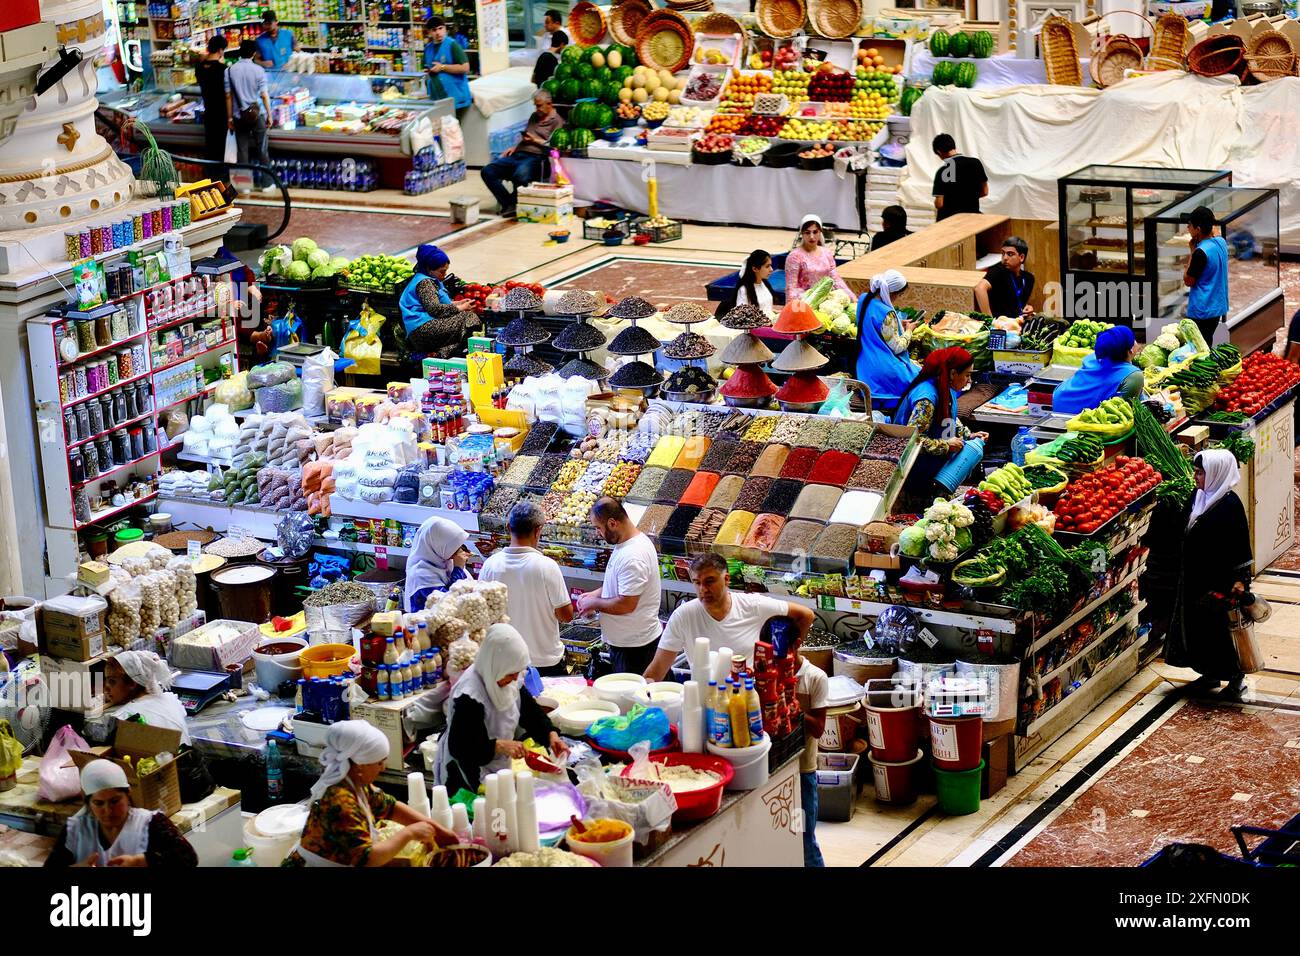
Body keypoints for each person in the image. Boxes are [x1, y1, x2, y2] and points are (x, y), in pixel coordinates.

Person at [283, 721, 456, 867]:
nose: (383, 767)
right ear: (360, 765)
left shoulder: (358, 785)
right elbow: (367, 858)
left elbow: (390, 807)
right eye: (379, 762)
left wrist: (439, 831)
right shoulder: (340, 802)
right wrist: (409, 833)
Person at [432, 624, 569, 796]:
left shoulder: (507, 678)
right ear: (495, 664)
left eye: (516, 673)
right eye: (511, 674)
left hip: (496, 768)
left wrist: (550, 735)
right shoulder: (470, 694)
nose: (514, 679)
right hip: (467, 774)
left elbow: (530, 711)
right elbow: (460, 747)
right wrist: (499, 745)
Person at [1165, 450, 1253, 701]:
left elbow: (1240, 546)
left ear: (1216, 473)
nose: (1196, 477)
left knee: (1223, 631)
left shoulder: (1230, 505)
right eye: (1197, 471)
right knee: (1200, 629)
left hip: (1220, 582)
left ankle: (1236, 678)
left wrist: (1240, 580)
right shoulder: (1198, 497)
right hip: (1195, 579)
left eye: (1201, 472)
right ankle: (1210, 672)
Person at [643, 553, 813, 681]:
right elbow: (658, 667)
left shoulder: (753, 605)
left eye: (710, 581)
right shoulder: (683, 616)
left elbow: (805, 615)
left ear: (726, 579)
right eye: (697, 582)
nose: (703, 589)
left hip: (752, 694)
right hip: (706, 698)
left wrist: (788, 657)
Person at [478, 501, 574, 675]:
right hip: (545, 663)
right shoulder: (547, 566)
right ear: (538, 530)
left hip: (505, 663)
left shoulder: (490, 566)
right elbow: (566, 616)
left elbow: (483, 614)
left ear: (508, 527)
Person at [44, 760, 197, 867]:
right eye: (98, 803)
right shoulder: (75, 830)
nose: (108, 811)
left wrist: (143, 861)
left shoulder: (150, 823)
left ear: (128, 794)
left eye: (115, 801)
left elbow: (188, 859)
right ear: (88, 802)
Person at [576, 496, 662, 675]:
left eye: (598, 528)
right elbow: (622, 585)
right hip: (629, 644)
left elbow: (626, 604)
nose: (598, 533)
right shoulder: (628, 543)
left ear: (613, 523)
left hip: (636, 650)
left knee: (637, 701)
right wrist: (597, 594)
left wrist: (594, 604)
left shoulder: (633, 555)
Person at [894, 347, 989, 495]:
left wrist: (968, 435)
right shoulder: (926, 400)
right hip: (913, 475)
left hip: (934, 471)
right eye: (967, 375)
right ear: (952, 373)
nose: (969, 381)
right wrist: (945, 445)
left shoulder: (946, 389)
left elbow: (949, 417)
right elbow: (912, 442)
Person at [480, 91, 564, 217]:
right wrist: (515, 146)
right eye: (536, 106)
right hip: (519, 154)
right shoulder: (534, 116)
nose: (537, 109)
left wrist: (534, 140)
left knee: (520, 176)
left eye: (539, 105)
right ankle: (509, 203)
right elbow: (526, 134)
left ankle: (511, 204)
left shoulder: (557, 121)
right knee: (487, 171)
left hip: (537, 157)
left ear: (549, 104)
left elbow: (555, 146)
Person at [790, 625, 829, 867]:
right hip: (773, 772)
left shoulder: (814, 677)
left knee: (803, 838)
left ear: (796, 645)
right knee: (781, 835)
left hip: (803, 772)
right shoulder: (764, 671)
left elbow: (818, 728)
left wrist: (794, 708)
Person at [399, 243, 480, 357]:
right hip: (422, 330)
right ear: (429, 269)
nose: (444, 275)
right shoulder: (425, 283)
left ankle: (444, 352)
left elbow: (437, 303)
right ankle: (452, 352)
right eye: (442, 271)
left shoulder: (429, 279)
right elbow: (434, 309)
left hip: (426, 325)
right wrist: (461, 307)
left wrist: (458, 303)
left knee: (467, 316)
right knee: (469, 318)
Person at [854, 268, 920, 402]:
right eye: (899, 295)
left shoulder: (863, 299)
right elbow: (898, 347)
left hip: (864, 366)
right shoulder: (887, 313)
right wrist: (909, 331)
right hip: (883, 370)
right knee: (922, 381)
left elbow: (870, 323)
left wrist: (897, 324)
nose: (898, 298)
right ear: (893, 293)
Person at [103, 650, 191, 746]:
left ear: (132, 683)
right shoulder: (170, 699)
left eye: (112, 682)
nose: (106, 687)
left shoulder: (124, 717)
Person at [1051, 326, 1143, 416]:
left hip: (1060, 399)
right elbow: (1126, 410)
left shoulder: (1094, 357)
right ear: (1130, 350)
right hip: (1076, 416)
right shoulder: (1133, 375)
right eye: (1134, 340)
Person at [225, 40, 273, 194]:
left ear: (240, 52)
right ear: (253, 53)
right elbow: (264, 95)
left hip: (239, 116)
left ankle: (243, 186)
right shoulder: (259, 70)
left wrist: (230, 118)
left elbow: (228, 97)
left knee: (242, 150)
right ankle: (267, 184)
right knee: (262, 148)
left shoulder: (229, 71)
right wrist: (269, 115)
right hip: (257, 115)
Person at [405, 515, 473, 612]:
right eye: (452, 547)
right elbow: (448, 604)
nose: (458, 552)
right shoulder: (421, 575)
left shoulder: (444, 561)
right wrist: (458, 569)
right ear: (437, 546)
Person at [1184, 205, 1230, 348]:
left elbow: (1188, 280)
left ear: (1197, 229)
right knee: (1206, 343)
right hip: (1217, 307)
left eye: (1190, 224)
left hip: (1202, 311)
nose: (1187, 227)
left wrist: (1192, 251)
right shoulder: (1221, 242)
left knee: (1199, 349)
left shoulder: (1200, 252)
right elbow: (1214, 232)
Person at [785, 214, 851, 302]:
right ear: (802, 233)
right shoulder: (794, 256)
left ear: (820, 232)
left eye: (815, 232)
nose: (811, 237)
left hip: (826, 301)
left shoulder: (827, 253)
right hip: (805, 302)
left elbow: (836, 279)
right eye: (807, 233)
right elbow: (791, 288)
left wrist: (850, 296)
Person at [931, 133, 988, 221]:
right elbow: (985, 192)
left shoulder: (943, 171)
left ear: (938, 152)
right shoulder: (976, 163)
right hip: (972, 217)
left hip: (949, 220)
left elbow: (939, 204)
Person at [976, 236, 1035, 319]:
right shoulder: (998, 270)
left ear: (1021, 257)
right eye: (1003, 253)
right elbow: (979, 289)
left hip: (1017, 321)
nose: (1005, 258)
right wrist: (989, 320)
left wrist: (1027, 307)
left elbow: (1017, 301)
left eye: (1010, 254)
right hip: (1000, 323)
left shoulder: (1029, 278)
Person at [423, 16, 472, 114]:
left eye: (440, 28)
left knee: (452, 128)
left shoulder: (452, 45)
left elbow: (465, 68)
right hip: (437, 99)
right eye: (434, 30)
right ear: (429, 33)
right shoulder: (428, 48)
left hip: (455, 98)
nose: (438, 32)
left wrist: (442, 67)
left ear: (445, 29)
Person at [195, 36, 229, 173]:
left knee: (210, 145)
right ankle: (221, 175)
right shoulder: (223, 69)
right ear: (220, 50)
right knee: (221, 145)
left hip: (208, 111)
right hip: (222, 113)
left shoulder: (199, 67)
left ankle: (210, 174)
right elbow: (228, 94)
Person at [717, 249, 776, 318]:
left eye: (770, 266)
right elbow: (741, 317)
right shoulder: (743, 290)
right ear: (755, 269)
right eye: (767, 266)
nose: (771, 269)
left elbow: (765, 308)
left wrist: (773, 313)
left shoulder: (765, 284)